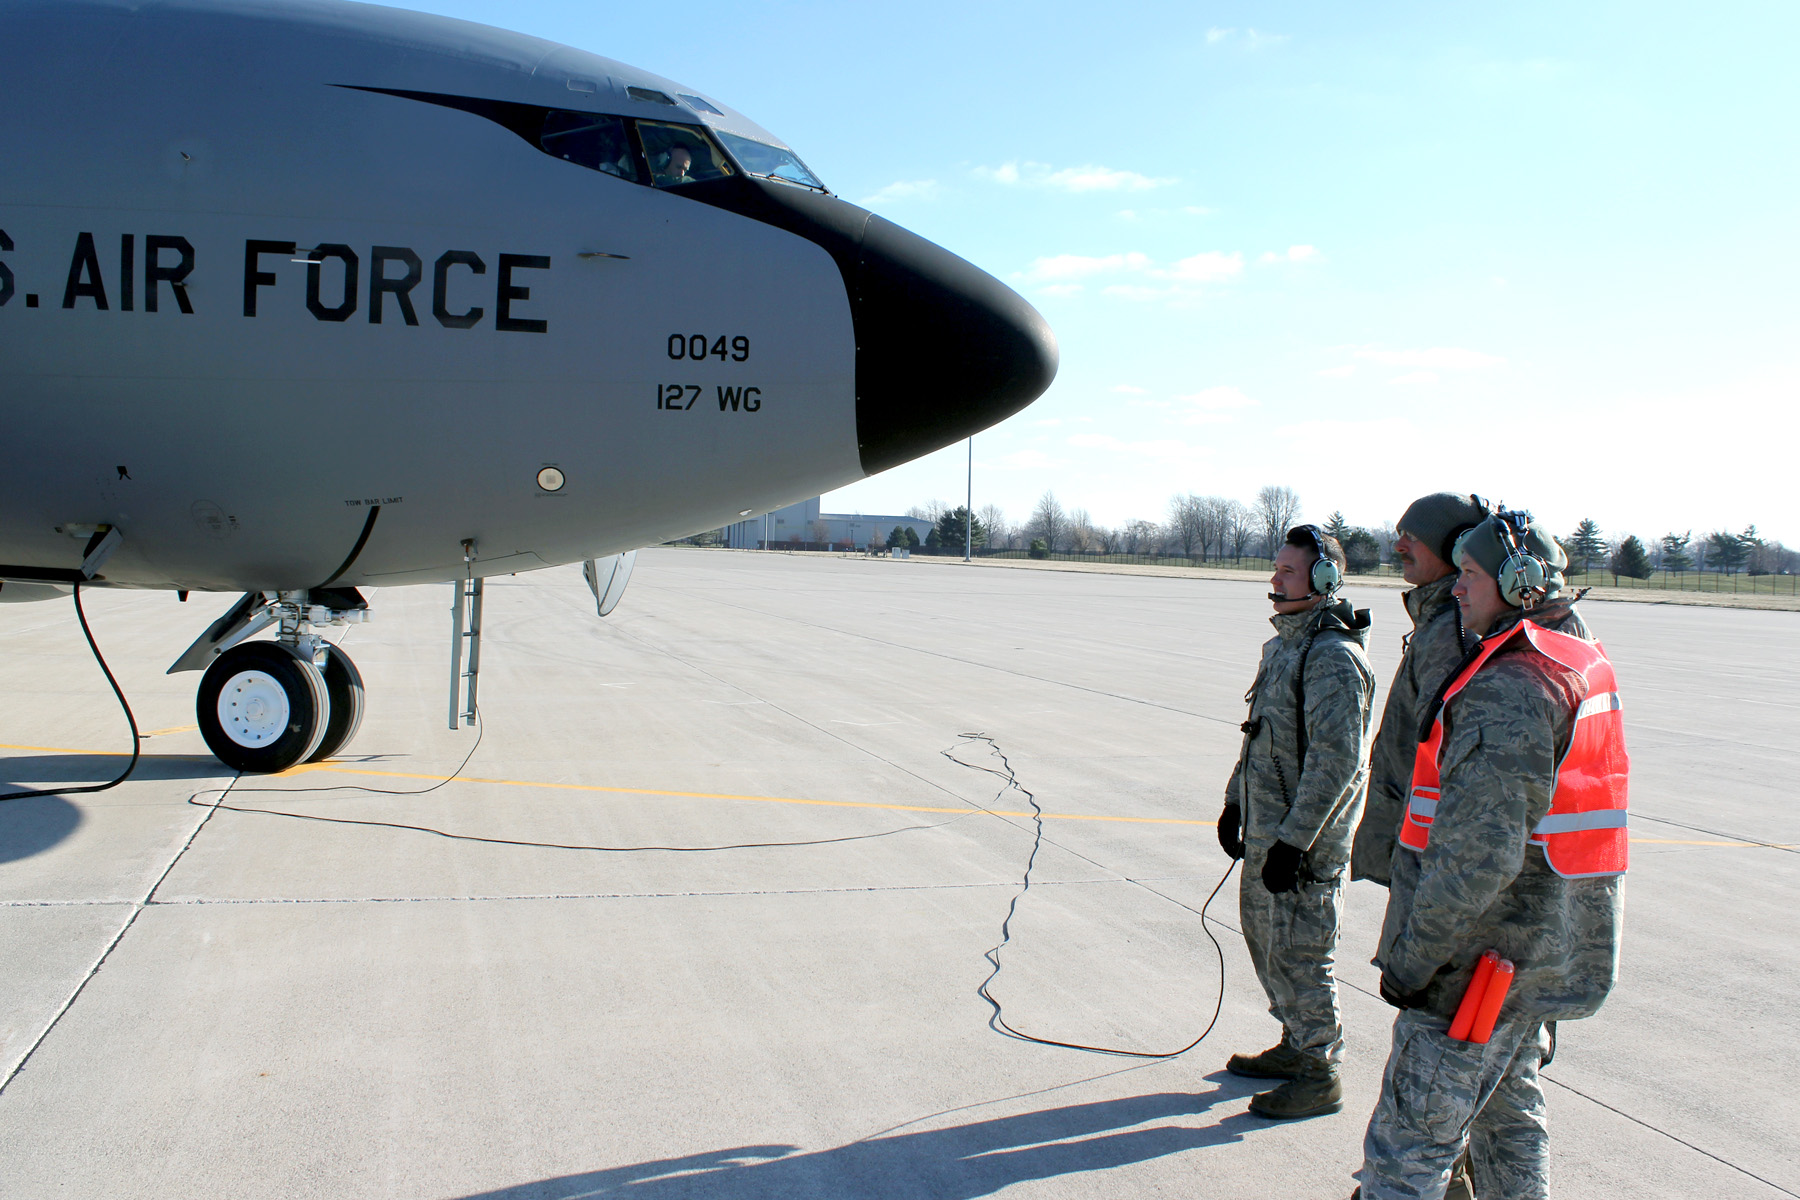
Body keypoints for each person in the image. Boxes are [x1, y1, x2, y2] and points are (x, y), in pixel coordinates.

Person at [1357, 509, 1628, 1200]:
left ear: (1521, 583)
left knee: (1407, 1151)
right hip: (1538, 950)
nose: (1457, 589)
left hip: (1472, 963)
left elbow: (1479, 855)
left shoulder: (1510, 686)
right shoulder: (1574, 657)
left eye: (1471, 575)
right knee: (1509, 1123)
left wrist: (1414, 959)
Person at [1218, 525, 1376, 1119]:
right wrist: (1236, 800)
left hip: (1303, 846)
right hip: (1268, 832)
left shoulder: (1333, 657)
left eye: (1288, 571)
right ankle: (1293, 1041)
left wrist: (1296, 840)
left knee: (1302, 953)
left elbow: (1337, 764)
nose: (1275, 579)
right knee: (1265, 941)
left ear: (1326, 580)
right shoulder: (1282, 645)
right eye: (1277, 568)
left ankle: (1320, 1071)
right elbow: (1258, 738)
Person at [1351, 493, 1489, 889]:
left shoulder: (1452, 633)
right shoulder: (1440, 622)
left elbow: (1453, 758)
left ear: (1457, 546)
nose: (1399, 546)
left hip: (1430, 858)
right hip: (1417, 849)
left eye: (1412, 535)